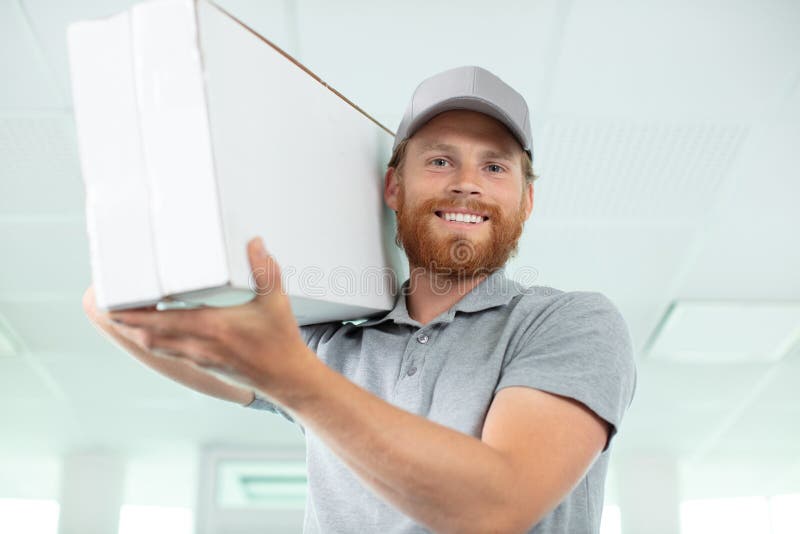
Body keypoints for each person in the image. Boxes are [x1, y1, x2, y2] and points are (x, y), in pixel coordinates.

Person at [83, 66, 637, 533]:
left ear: (526, 198)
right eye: (440, 161)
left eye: (494, 167)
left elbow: (498, 505)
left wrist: (294, 379)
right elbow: (110, 307)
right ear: (394, 187)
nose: (468, 183)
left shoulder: (569, 323)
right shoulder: (333, 340)